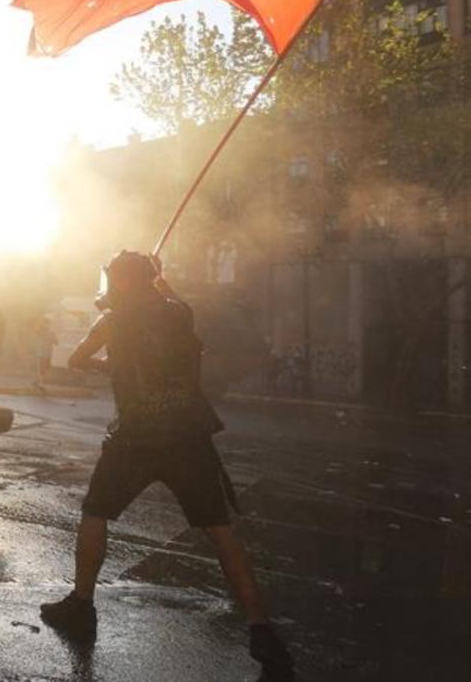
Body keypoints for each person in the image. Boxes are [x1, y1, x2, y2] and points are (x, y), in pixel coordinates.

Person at [39, 250, 293, 680]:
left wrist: (112, 364)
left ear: (117, 281)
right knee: (220, 531)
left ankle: (82, 604)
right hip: (188, 436)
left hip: (135, 438)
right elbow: (176, 308)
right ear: (151, 280)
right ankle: (262, 630)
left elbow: (77, 360)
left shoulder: (113, 320)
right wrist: (158, 277)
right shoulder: (178, 312)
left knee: (95, 513)